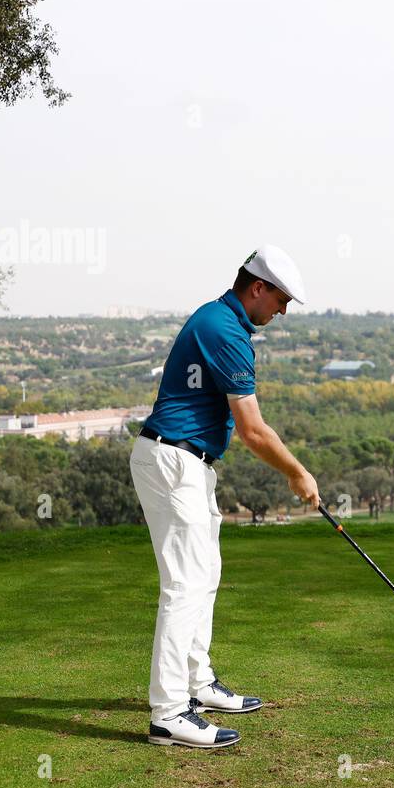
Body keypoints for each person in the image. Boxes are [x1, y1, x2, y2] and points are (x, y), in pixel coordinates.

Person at [130, 245, 320, 748]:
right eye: (281, 301)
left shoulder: (224, 321)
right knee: (185, 586)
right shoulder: (223, 329)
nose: (282, 312)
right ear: (257, 287)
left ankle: (197, 683)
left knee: (204, 575)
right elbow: (254, 431)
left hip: (192, 464)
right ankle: (169, 713)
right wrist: (297, 474)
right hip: (174, 462)